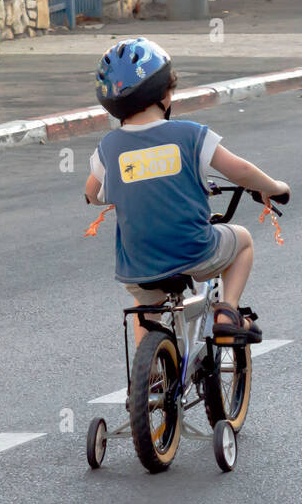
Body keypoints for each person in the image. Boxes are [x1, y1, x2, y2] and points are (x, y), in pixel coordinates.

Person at [84, 38, 289, 344]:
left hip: (138, 264)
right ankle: (227, 314)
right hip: (195, 251)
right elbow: (241, 171)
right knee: (242, 241)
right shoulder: (190, 134)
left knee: (147, 307)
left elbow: (92, 194)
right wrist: (275, 188)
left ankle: (149, 379)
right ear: (165, 94)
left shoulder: (109, 147)